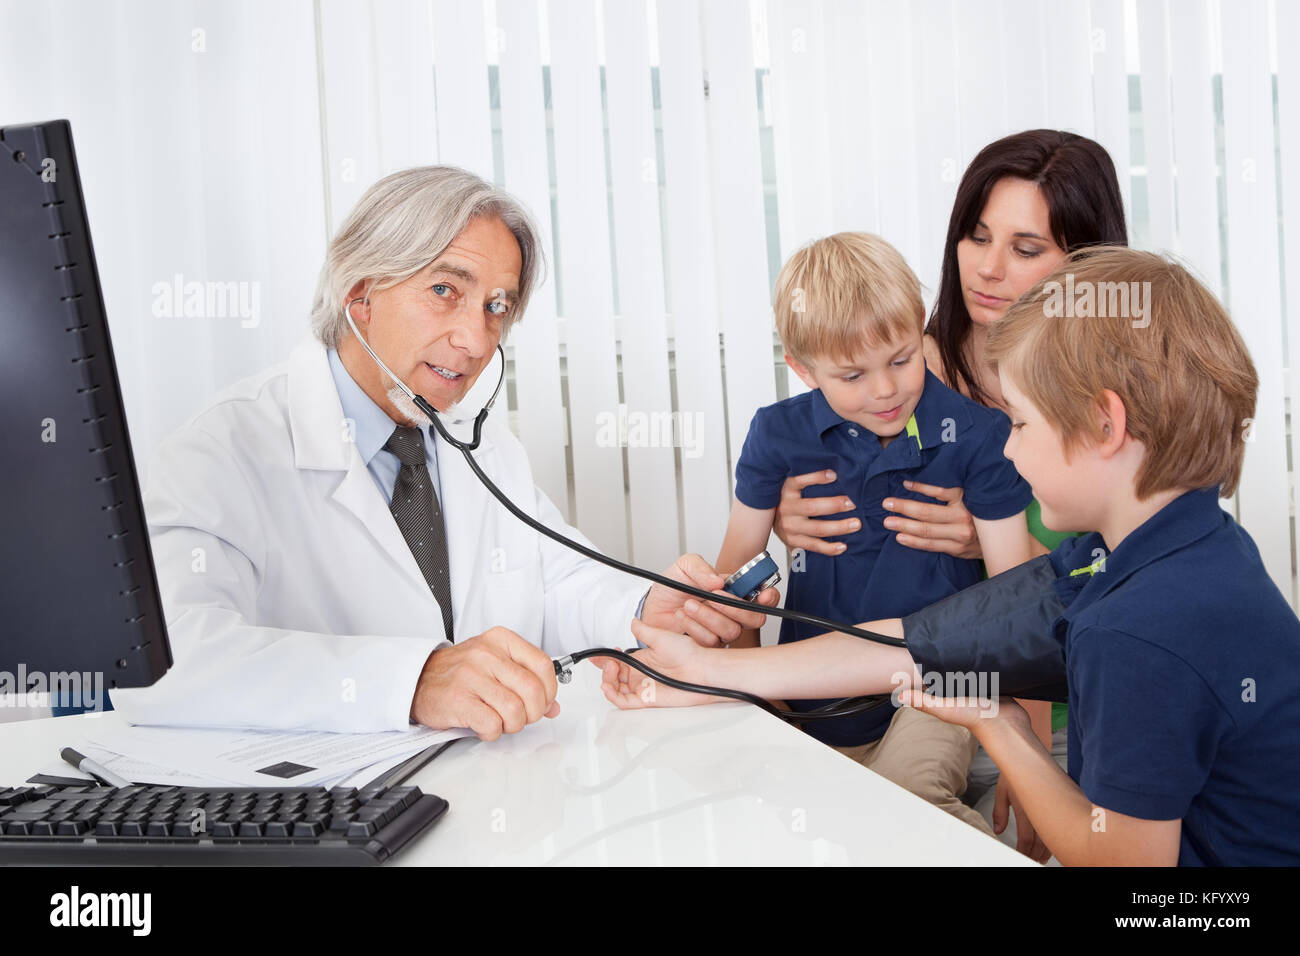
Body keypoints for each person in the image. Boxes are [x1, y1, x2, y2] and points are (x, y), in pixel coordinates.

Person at [599, 247, 1300, 866]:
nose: (1011, 447)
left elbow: (1127, 872)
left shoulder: (1141, 627)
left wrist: (1007, 733)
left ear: (1103, 425)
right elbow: (913, 645)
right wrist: (705, 669)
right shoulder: (1139, 555)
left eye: (1021, 423)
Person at [110, 166, 774, 737]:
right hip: (320, 819)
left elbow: (559, 579)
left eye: (496, 306)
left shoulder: (482, 448)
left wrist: (640, 607)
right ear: (361, 293)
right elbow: (169, 659)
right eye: (445, 291)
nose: (475, 339)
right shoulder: (225, 449)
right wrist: (412, 681)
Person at [769, 130, 1128, 858]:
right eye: (976, 235)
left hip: (1063, 716)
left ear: (1083, 266)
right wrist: (783, 513)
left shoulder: (1114, 401)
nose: (989, 269)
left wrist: (988, 536)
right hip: (897, 694)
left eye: (1027, 249)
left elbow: (1117, 590)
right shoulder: (893, 373)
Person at [715, 231, 1035, 833]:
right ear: (802, 369)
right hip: (809, 695)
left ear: (921, 329)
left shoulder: (980, 436)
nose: (885, 391)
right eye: (852, 375)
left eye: (900, 359)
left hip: (938, 691)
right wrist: (756, 697)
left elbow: (1023, 600)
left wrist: (1029, 760)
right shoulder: (776, 435)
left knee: (908, 805)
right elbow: (731, 578)